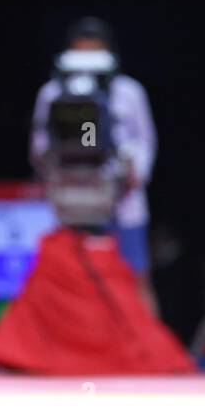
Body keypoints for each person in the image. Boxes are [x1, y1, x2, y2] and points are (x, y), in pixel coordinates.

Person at [30, 17, 158, 314]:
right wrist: (54, 166)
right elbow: (38, 144)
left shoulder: (129, 93)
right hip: (72, 202)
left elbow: (145, 141)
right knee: (70, 284)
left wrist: (135, 170)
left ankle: (151, 356)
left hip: (123, 204)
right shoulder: (51, 95)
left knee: (135, 278)